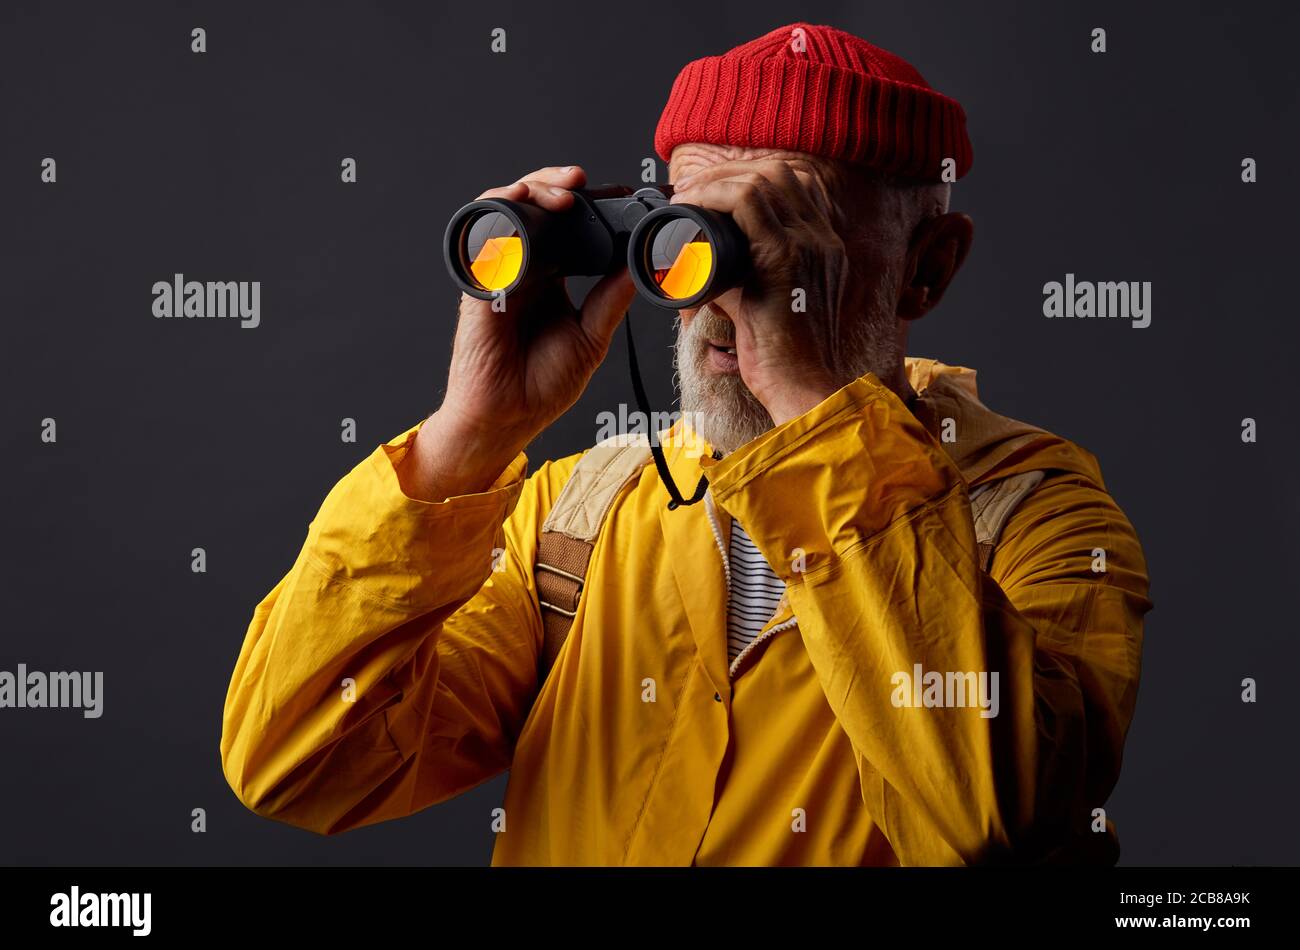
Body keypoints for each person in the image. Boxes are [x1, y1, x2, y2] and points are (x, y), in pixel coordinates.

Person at [220, 22, 1152, 865]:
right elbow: (296, 764)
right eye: (699, 235)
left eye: (795, 240)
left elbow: (999, 825)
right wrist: (468, 439)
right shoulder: (579, 519)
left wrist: (811, 396)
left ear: (928, 268)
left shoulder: (1037, 518)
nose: (723, 291)